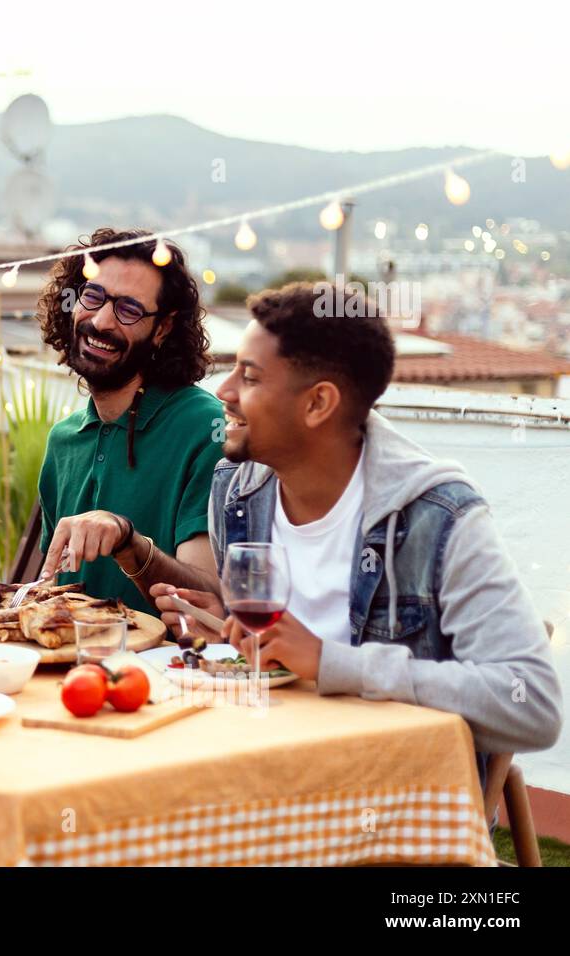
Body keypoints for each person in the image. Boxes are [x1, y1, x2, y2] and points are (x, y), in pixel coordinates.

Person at [152, 281, 562, 763]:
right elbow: (281, 657)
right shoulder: (237, 490)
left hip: (392, 796)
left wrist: (333, 663)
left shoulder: (440, 517)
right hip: (265, 758)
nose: (223, 391)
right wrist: (230, 626)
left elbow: (532, 701)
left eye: (250, 377)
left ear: (318, 404)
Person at [34, 228, 223, 615]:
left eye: (129, 310)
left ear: (163, 329)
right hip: (69, 669)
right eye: (93, 296)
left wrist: (129, 543)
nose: (102, 321)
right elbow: (50, 584)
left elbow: (208, 600)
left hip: (167, 670)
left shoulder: (205, 428)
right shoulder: (64, 440)